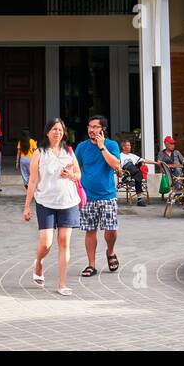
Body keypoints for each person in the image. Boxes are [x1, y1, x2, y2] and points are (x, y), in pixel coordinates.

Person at [23, 117, 82, 295]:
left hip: (68, 202)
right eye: (54, 129)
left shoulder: (69, 152)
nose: (57, 132)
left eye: (60, 129)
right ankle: (39, 262)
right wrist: (26, 206)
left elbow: (79, 174)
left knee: (64, 241)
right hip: (45, 202)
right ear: (47, 132)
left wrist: (71, 174)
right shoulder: (39, 153)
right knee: (46, 242)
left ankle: (62, 284)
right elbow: (32, 181)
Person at [73, 114, 122, 277]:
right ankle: (91, 265)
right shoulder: (81, 147)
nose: (92, 130)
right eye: (90, 126)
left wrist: (102, 147)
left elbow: (116, 165)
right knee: (90, 230)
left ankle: (110, 251)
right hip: (87, 196)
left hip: (107, 195)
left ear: (103, 129)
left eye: (95, 127)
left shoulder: (111, 145)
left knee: (111, 230)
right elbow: (75, 167)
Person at [117, 140, 147, 207]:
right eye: (128, 145)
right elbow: (117, 165)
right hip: (125, 174)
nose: (130, 147)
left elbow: (144, 160)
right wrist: (119, 171)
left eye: (130, 145)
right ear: (123, 147)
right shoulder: (119, 156)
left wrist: (156, 163)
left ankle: (132, 179)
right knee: (130, 165)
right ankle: (139, 200)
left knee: (138, 169)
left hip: (132, 175)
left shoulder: (132, 156)